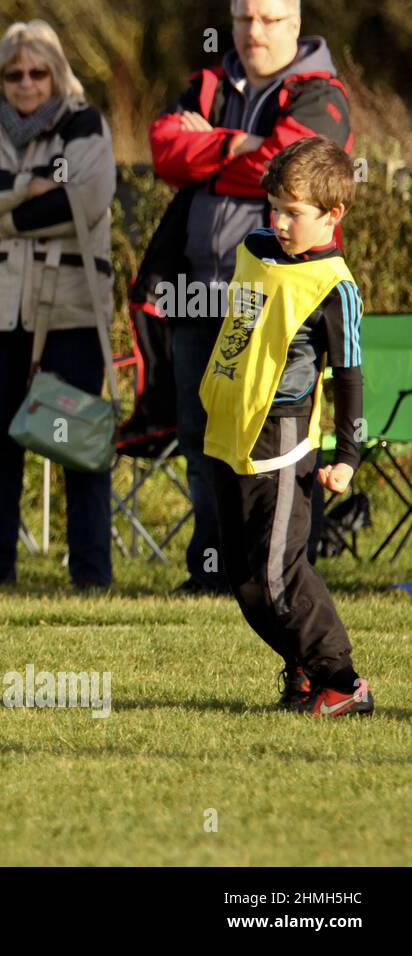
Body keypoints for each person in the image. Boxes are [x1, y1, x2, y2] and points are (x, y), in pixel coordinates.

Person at [144, 0, 350, 594]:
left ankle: (283, 570)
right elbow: (163, 152)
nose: (253, 31)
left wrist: (210, 150)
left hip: (278, 304)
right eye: (243, 19)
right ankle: (212, 567)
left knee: (277, 440)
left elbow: (288, 171)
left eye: (268, 19)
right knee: (202, 436)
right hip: (196, 292)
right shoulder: (207, 82)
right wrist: (242, 144)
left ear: (296, 23)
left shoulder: (322, 94)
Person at [0, 20, 116, 590]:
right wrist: (24, 188)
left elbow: (84, 199)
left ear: (57, 73)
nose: (26, 83)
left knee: (79, 439)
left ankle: (90, 573)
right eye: (14, 73)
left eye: (38, 72)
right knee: (0, 441)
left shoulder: (85, 122)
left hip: (69, 304)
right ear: (0, 76)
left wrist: (3, 216)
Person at [200, 137, 371, 716]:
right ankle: (303, 671)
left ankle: (343, 684)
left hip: (282, 441)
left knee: (277, 577)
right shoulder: (256, 249)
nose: (278, 222)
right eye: (272, 207)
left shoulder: (335, 288)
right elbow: (243, 330)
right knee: (242, 580)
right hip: (229, 432)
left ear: (333, 213)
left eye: (293, 213)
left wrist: (347, 454)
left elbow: (349, 379)